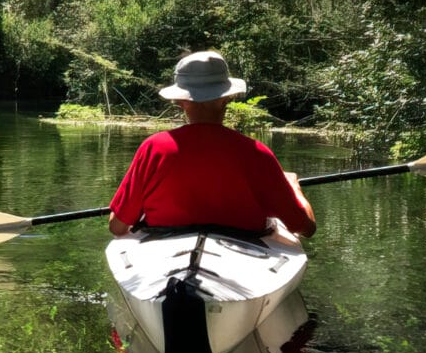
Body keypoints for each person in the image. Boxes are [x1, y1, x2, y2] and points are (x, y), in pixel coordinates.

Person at [107, 51, 315, 239]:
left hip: (165, 247)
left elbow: (117, 227)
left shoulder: (154, 148)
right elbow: (305, 227)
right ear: (227, 98)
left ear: (180, 101)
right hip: (245, 250)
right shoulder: (258, 153)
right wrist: (293, 186)